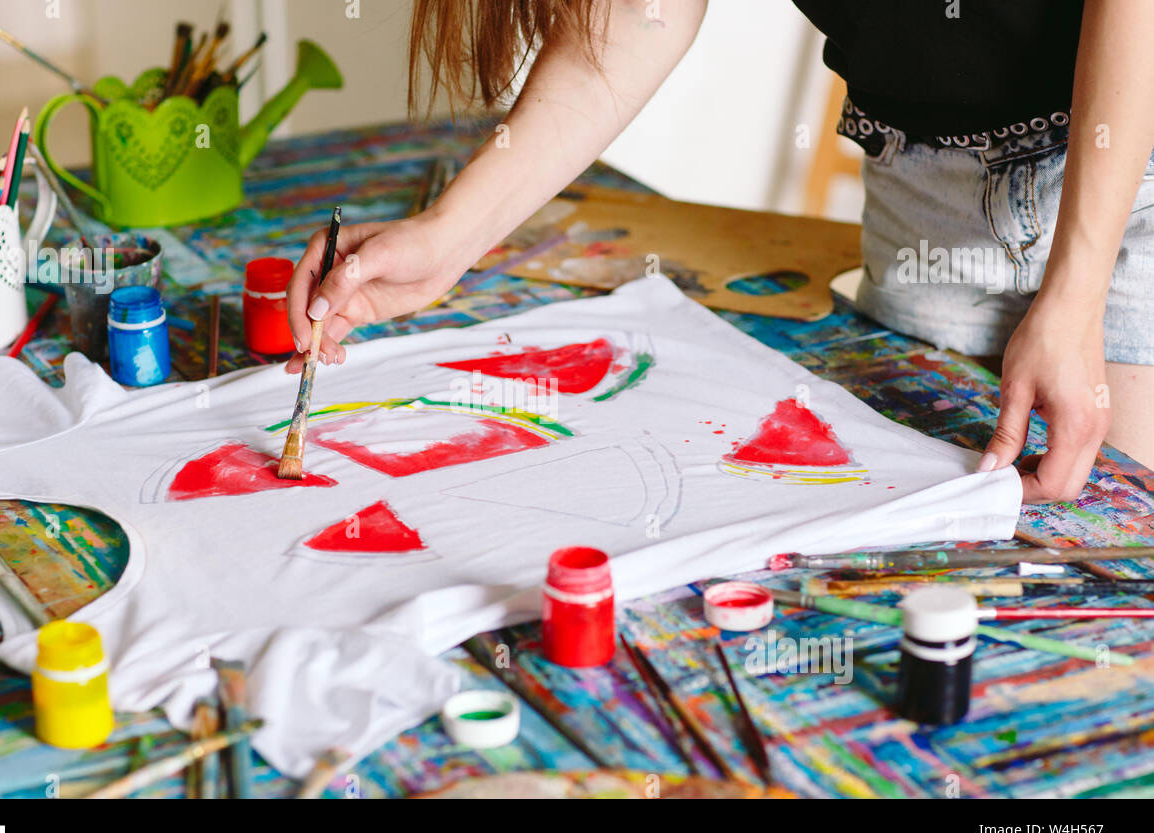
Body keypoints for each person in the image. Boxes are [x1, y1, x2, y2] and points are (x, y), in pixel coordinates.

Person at [285, 0, 1154, 505]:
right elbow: (635, 15)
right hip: (921, 182)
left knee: (1112, 573)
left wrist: (1076, 290)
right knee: (948, 558)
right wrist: (448, 240)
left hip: (1129, 173)